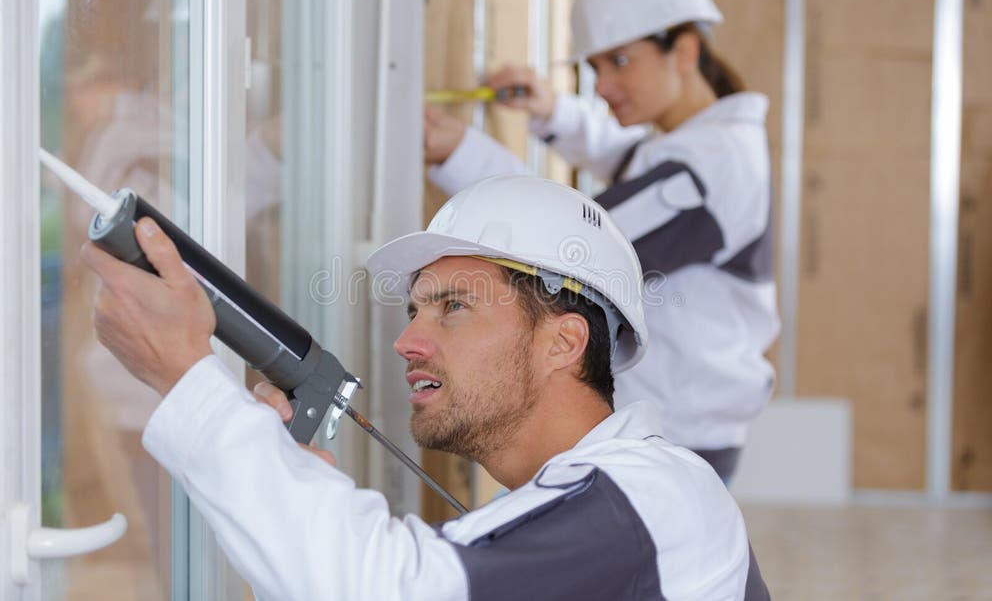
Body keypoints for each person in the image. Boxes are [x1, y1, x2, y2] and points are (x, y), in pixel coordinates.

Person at [82, 174, 769, 599]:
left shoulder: (649, 497)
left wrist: (188, 378)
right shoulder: (556, 520)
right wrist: (295, 495)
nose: (408, 342)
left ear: (563, 342)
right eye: (415, 310)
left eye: (454, 307)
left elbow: (394, 588)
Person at [424, 0, 779, 482]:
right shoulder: (696, 140)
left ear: (683, 50)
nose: (604, 85)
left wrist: (461, 154)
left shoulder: (711, 166)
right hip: (680, 426)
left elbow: (574, 238)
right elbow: (628, 154)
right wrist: (552, 112)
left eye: (620, 61)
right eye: (594, 68)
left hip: (675, 439)